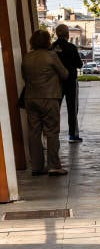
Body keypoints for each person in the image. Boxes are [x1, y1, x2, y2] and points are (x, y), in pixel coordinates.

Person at [21, 30, 69, 176]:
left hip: (30, 98)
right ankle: (54, 165)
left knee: (34, 132)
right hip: (49, 98)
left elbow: (24, 77)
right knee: (51, 131)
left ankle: (36, 166)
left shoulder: (27, 58)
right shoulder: (51, 56)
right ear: (47, 41)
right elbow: (65, 74)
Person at [52, 24, 83, 143]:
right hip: (70, 82)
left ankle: (54, 134)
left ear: (56, 34)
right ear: (67, 35)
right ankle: (72, 135)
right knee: (72, 108)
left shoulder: (51, 47)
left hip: (56, 82)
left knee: (55, 109)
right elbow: (79, 64)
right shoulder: (71, 47)